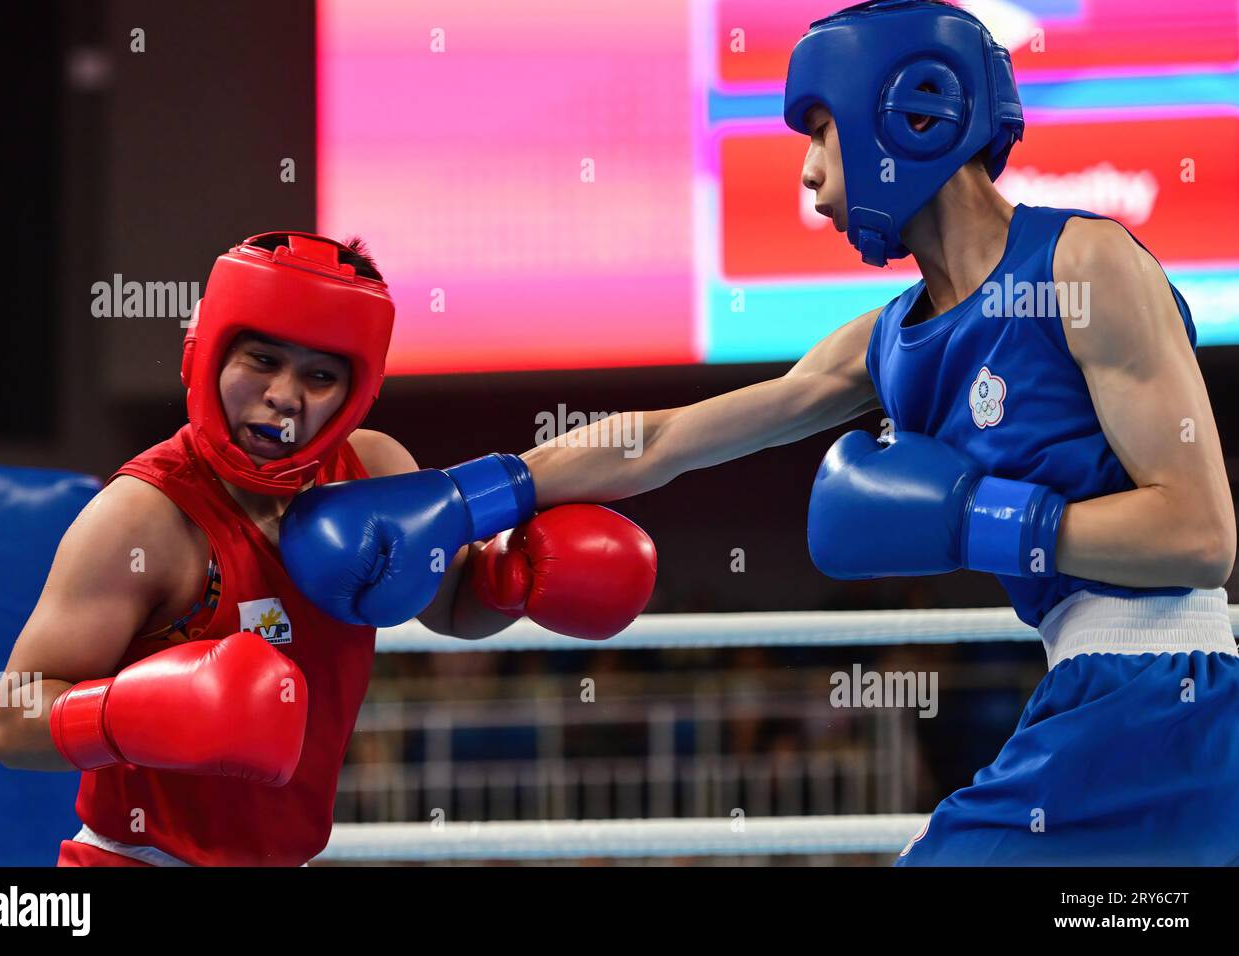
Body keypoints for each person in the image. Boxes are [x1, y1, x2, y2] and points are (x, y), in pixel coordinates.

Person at [316, 0, 1233, 864]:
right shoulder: (893, 342)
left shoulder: (1087, 262)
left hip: (1169, 690)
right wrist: (475, 494)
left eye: (821, 133)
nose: (808, 175)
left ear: (912, 111)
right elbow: (670, 437)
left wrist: (976, 521)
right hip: (1095, 697)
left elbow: (1199, 538)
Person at [0, 231, 656, 866]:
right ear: (208, 353)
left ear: (354, 393)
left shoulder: (375, 471)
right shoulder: (143, 516)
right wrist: (129, 715)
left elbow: (454, 608)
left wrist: (510, 581)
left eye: (319, 375)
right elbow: (12, 725)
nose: (283, 396)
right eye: (262, 360)